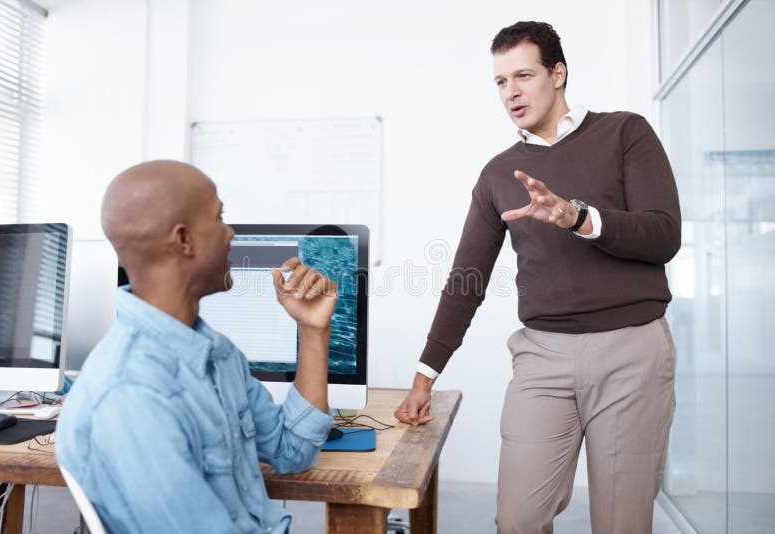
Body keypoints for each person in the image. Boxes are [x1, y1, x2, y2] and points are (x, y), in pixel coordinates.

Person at [395, 21, 681, 533]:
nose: (511, 92)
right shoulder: (498, 174)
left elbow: (664, 235)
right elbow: (467, 277)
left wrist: (578, 218)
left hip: (631, 354)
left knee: (622, 524)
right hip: (543, 358)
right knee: (518, 521)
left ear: (558, 72)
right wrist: (425, 374)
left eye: (523, 75)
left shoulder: (625, 132)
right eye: (501, 82)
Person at [56, 160, 337, 533]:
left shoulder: (217, 354)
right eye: (220, 217)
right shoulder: (132, 394)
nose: (231, 232)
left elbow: (293, 451)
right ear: (183, 240)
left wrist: (313, 330)